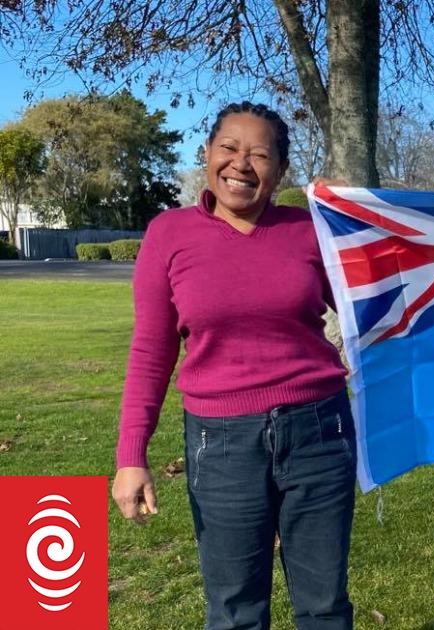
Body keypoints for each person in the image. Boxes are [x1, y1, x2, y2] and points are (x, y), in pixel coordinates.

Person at [111, 102, 355, 630]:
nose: (241, 164)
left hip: (318, 430)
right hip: (220, 444)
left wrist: (351, 215)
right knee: (234, 611)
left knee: (323, 606)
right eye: (229, 148)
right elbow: (152, 351)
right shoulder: (168, 234)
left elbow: (376, 305)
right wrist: (132, 453)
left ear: (280, 171)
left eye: (260, 154)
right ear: (207, 155)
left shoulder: (312, 231)